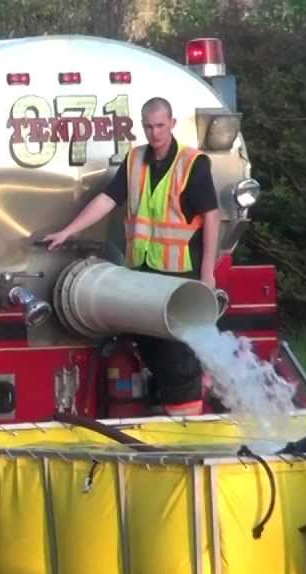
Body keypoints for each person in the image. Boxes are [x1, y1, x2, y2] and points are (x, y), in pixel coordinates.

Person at [44, 96, 220, 416]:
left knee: (176, 356)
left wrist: (208, 271)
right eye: (149, 127)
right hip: (141, 275)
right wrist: (68, 231)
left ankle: (188, 424)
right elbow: (108, 200)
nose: (155, 133)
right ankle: (170, 413)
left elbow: (211, 216)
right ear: (143, 126)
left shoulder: (192, 164)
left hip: (178, 276)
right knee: (150, 346)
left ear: (172, 124)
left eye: (160, 126)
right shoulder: (135, 160)